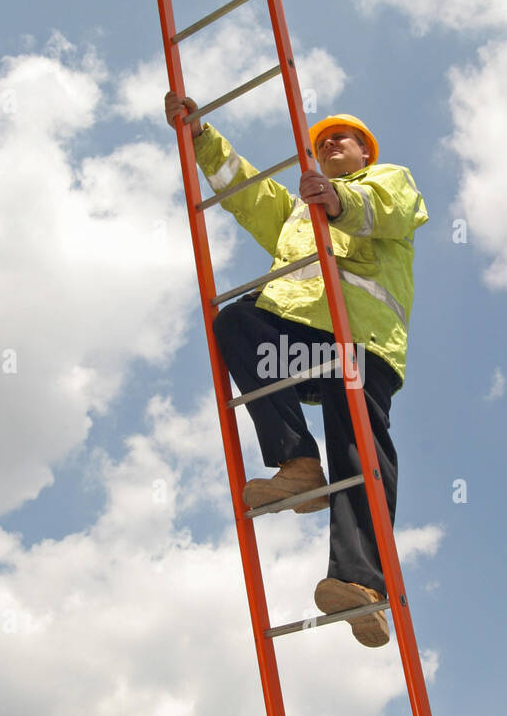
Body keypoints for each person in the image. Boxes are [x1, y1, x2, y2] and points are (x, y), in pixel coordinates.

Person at [164, 91, 428, 647]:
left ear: (365, 154)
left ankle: (363, 586)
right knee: (236, 322)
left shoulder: (387, 181)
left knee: (359, 447)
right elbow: (246, 190)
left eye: (343, 139)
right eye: (321, 140)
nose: (330, 142)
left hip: (363, 344)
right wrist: (199, 137)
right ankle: (298, 463)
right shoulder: (296, 216)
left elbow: (393, 208)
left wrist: (337, 201)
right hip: (306, 341)